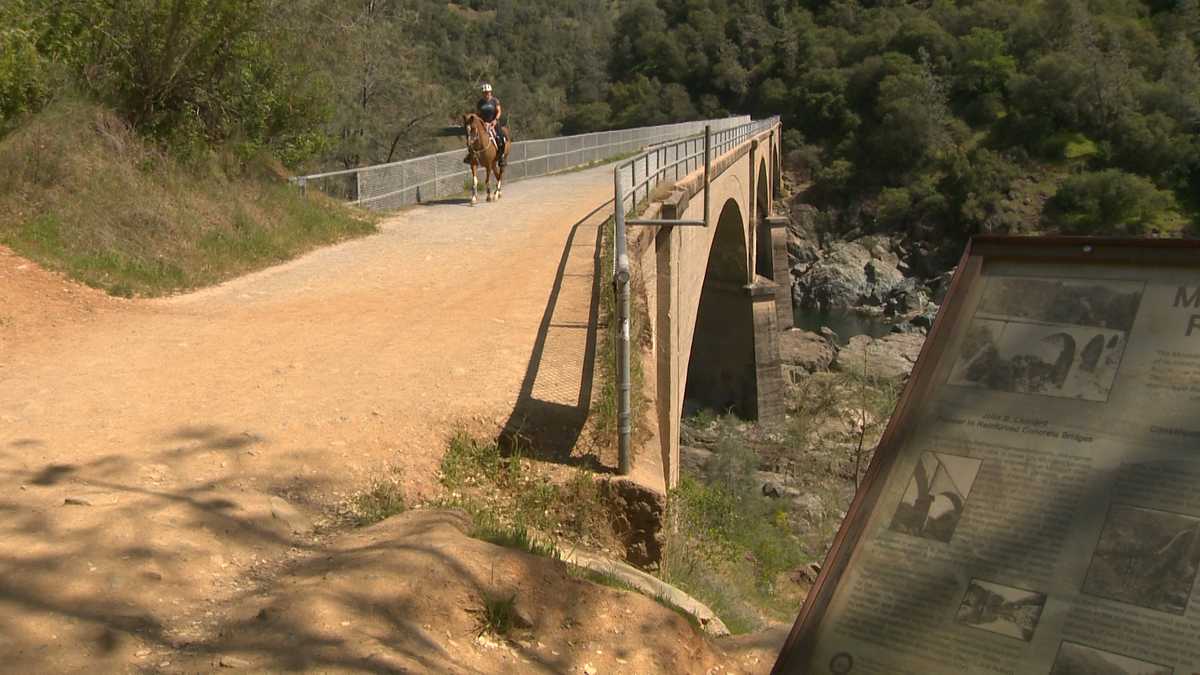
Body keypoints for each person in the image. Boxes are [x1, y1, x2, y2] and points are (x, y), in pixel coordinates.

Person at [465, 82, 507, 166]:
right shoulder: (480, 102)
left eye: (488, 92)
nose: (486, 94)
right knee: (473, 138)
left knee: (501, 137)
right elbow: (478, 114)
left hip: (494, 122)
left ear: (490, 92)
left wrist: (495, 120)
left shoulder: (495, 101)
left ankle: (501, 157)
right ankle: (471, 155)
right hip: (483, 123)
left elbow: (499, 111)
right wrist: (482, 122)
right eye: (484, 93)